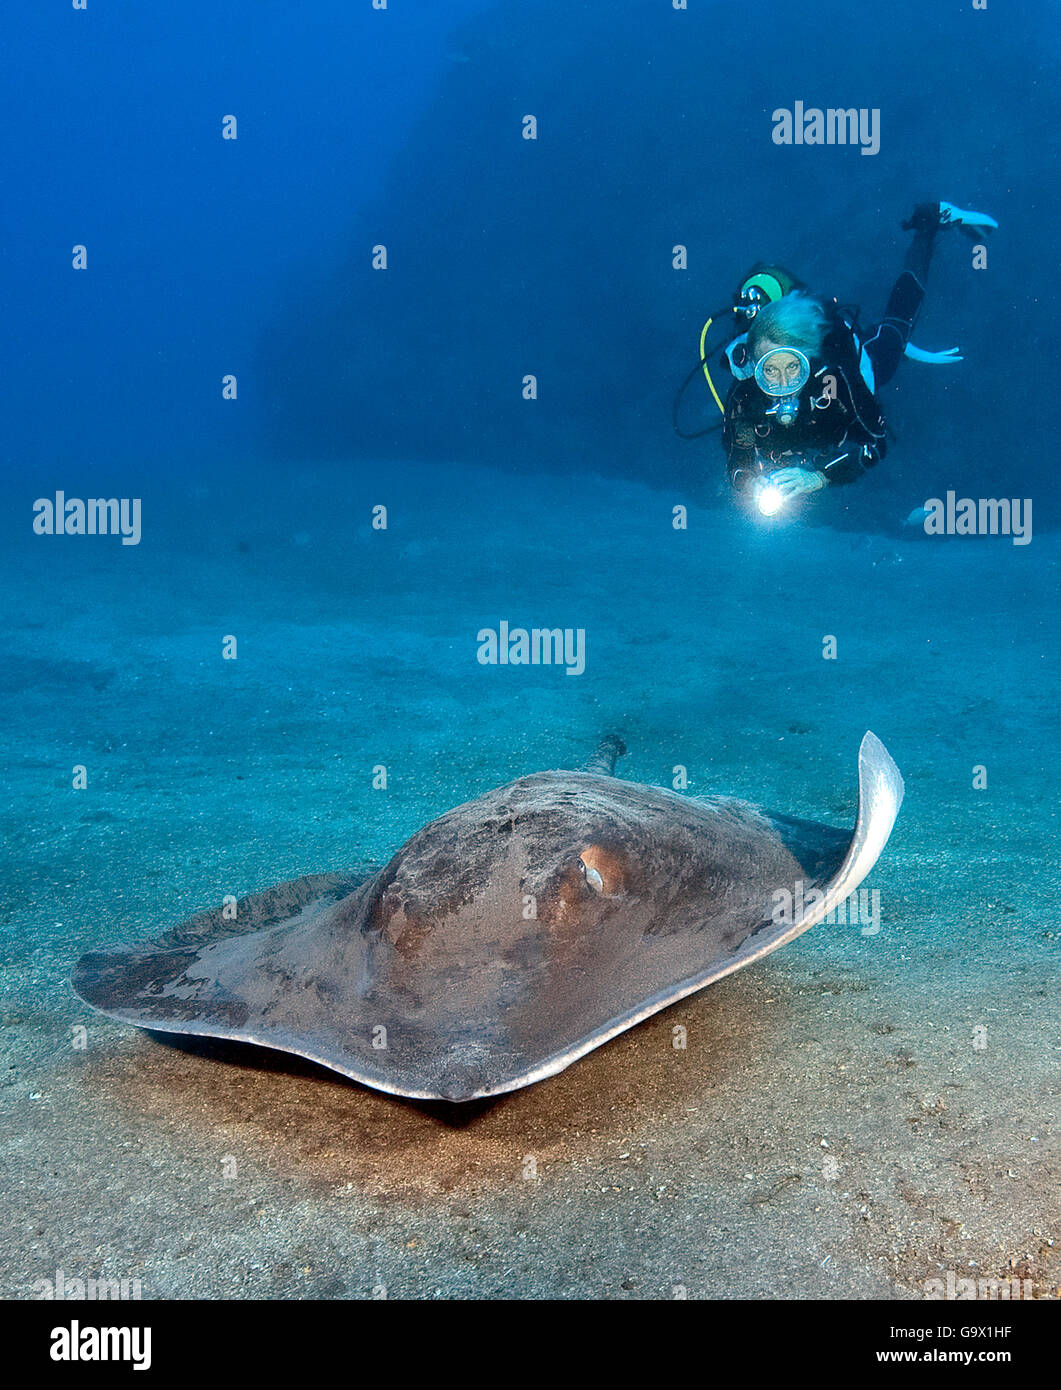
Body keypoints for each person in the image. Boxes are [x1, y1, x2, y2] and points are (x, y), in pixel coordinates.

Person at [720, 201, 997, 509]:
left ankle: (930, 222)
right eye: (770, 371)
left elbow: (876, 443)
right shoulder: (745, 395)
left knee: (895, 330)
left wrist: (820, 477)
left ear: (810, 362)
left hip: (864, 362)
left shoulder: (836, 378)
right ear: (755, 367)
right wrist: (751, 483)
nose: (784, 381)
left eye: (793, 367)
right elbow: (737, 459)